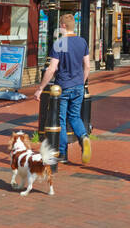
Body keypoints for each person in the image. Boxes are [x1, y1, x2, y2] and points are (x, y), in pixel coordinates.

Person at [34, 14, 92, 165]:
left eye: (60, 25)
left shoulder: (60, 43)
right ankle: (84, 137)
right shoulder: (82, 42)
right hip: (78, 86)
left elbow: (52, 68)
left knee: (61, 119)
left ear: (64, 26)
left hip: (63, 87)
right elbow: (87, 66)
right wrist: (82, 81)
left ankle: (63, 153)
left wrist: (40, 88)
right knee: (75, 117)